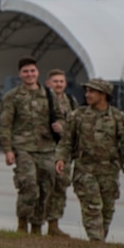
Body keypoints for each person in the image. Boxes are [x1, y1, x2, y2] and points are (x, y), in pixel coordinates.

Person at [54, 79, 124, 243]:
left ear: (104, 95)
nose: (87, 95)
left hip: (109, 171)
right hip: (85, 170)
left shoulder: (119, 118)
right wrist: (61, 158)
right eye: (87, 91)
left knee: (107, 209)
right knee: (92, 207)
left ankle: (99, 243)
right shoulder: (78, 115)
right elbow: (66, 142)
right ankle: (97, 243)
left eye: (92, 91)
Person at [0, 57, 56, 234]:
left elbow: (60, 115)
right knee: (28, 185)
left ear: (38, 72)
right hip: (23, 148)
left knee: (45, 188)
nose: (29, 74)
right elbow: (6, 124)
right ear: (20, 74)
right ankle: (22, 223)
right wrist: (8, 150)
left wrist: (59, 126)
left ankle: (37, 226)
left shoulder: (49, 94)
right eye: (25, 71)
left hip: (47, 149)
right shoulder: (13, 96)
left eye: (32, 71)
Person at [44, 69, 78, 237]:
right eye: (55, 81)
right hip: (45, 149)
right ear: (48, 83)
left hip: (63, 151)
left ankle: (53, 224)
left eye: (61, 81)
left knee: (60, 187)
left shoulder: (71, 101)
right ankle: (35, 223)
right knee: (43, 188)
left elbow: (76, 125)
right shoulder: (43, 100)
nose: (58, 84)